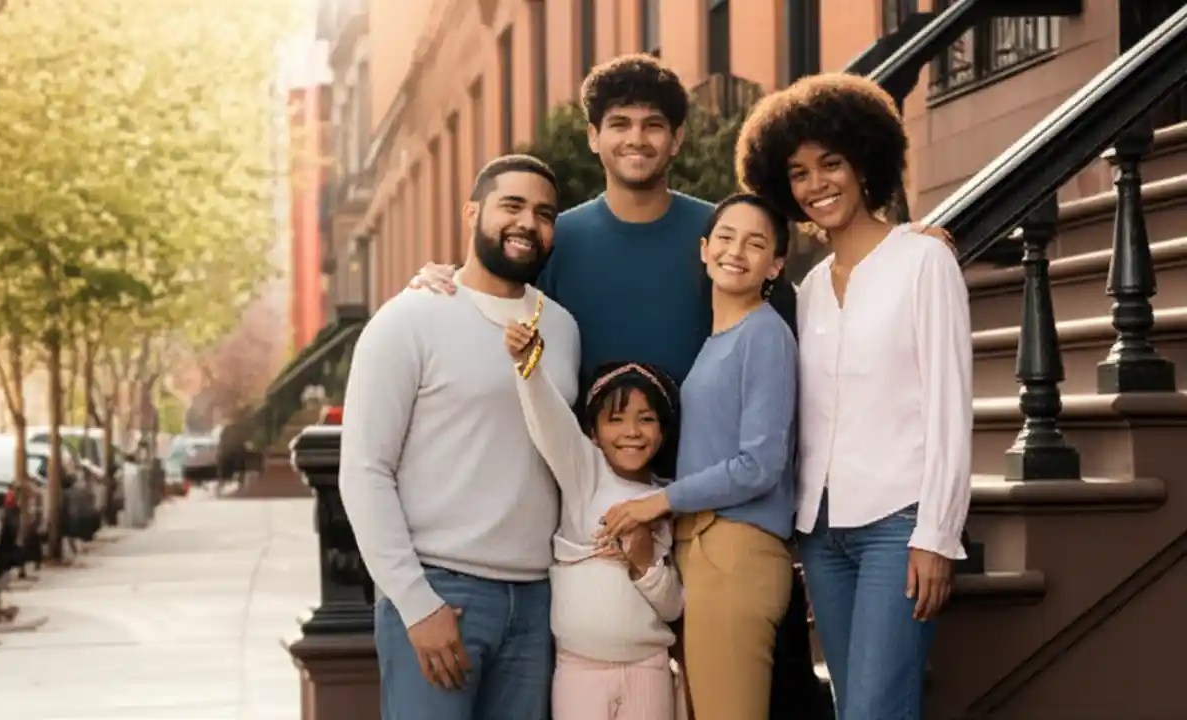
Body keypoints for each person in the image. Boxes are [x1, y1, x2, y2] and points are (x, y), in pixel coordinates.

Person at [411, 53, 826, 719]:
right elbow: (497, 292)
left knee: (769, 695)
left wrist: (897, 250)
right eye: (620, 124)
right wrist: (437, 280)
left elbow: (807, 339)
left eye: (654, 125)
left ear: (678, 139)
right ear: (594, 137)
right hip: (597, 511)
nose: (637, 138)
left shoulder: (717, 234)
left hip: (717, 515)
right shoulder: (559, 239)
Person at [735, 72, 973, 719]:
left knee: (874, 712)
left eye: (831, 164)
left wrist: (937, 534)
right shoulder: (807, 292)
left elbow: (952, 409)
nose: (817, 185)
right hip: (823, 536)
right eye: (799, 173)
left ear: (864, 162)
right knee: (852, 708)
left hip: (898, 524)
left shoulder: (924, 262)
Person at [339, 154, 582, 720]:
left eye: (544, 213)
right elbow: (364, 470)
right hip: (440, 592)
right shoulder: (409, 320)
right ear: (473, 212)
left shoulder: (564, 330)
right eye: (512, 206)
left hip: (539, 600)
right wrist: (417, 605)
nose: (528, 222)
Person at [597, 193, 799, 719]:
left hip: (737, 548)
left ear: (775, 264)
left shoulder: (764, 335)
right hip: (705, 547)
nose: (737, 251)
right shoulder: (719, 340)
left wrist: (658, 501)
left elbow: (759, 464)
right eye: (727, 238)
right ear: (705, 249)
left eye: (756, 244)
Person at [503, 318, 685, 718]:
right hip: (579, 671)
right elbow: (551, 423)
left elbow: (673, 608)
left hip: (648, 667)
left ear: (663, 430)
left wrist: (643, 563)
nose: (631, 432)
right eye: (615, 419)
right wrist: (528, 367)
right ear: (593, 433)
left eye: (646, 418)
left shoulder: (667, 500)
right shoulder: (585, 474)